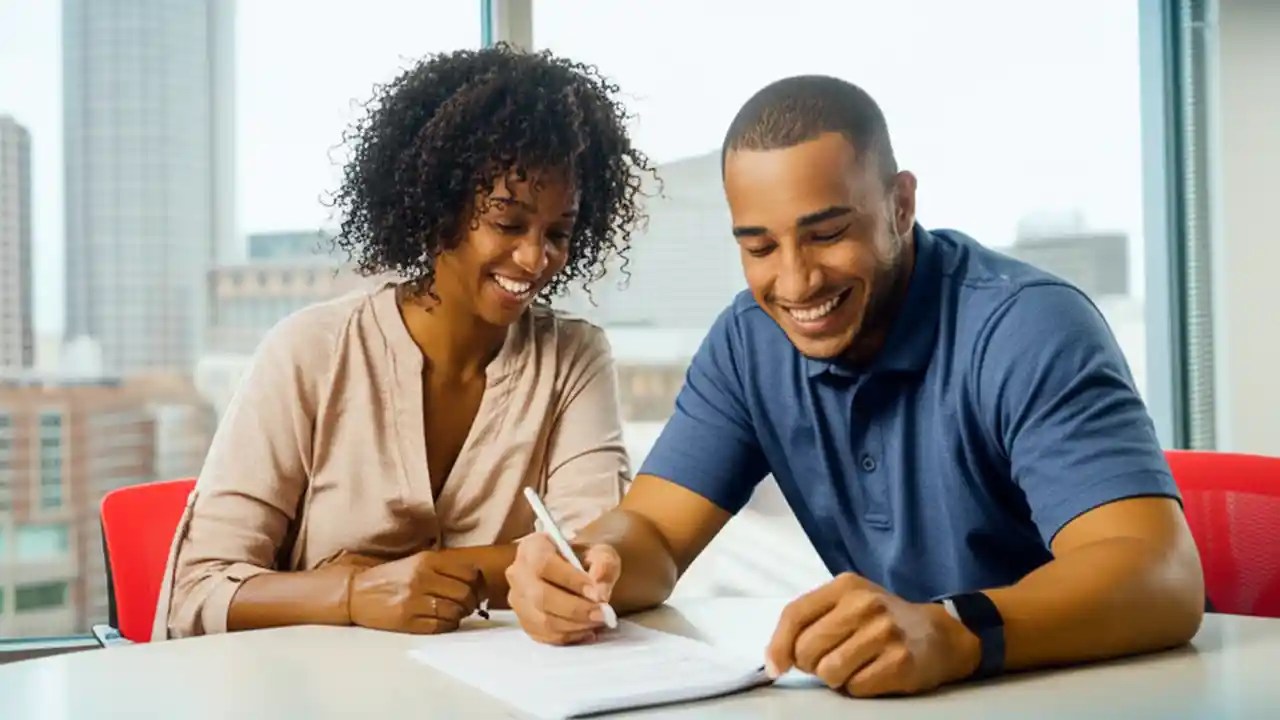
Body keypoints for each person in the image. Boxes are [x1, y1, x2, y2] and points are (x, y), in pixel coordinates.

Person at [505, 75, 1205, 695]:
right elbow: (655, 530)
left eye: (828, 233)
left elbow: (1161, 575)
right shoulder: (750, 341)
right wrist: (595, 565)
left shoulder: (1028, 327)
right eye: (759, 247)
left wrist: (954, 630)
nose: (795, 281)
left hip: (1079, 694)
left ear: (901, 205)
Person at [152, 45, 654, 640]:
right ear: (439, 206)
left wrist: (437, 574)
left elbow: (586, 557)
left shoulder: (574, 358)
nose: (534, 257)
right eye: (507, 223)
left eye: (558, 232)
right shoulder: (310, 353)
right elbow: (196, 591)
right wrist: (352, 594)